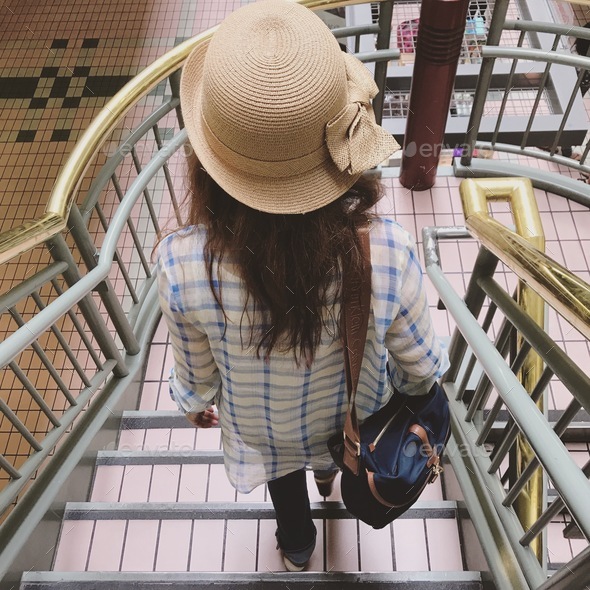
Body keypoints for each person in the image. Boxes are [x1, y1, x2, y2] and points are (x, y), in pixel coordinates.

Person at [157, 0, 449, 572]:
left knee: (280, 479)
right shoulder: (384, 251)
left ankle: (296, 545)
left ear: (210, 161)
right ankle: (329, 478)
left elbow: (197, 378)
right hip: (351, 415)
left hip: (262, 429)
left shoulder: (182, 265)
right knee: (335, 452)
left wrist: (193, 404)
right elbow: (421, 370)